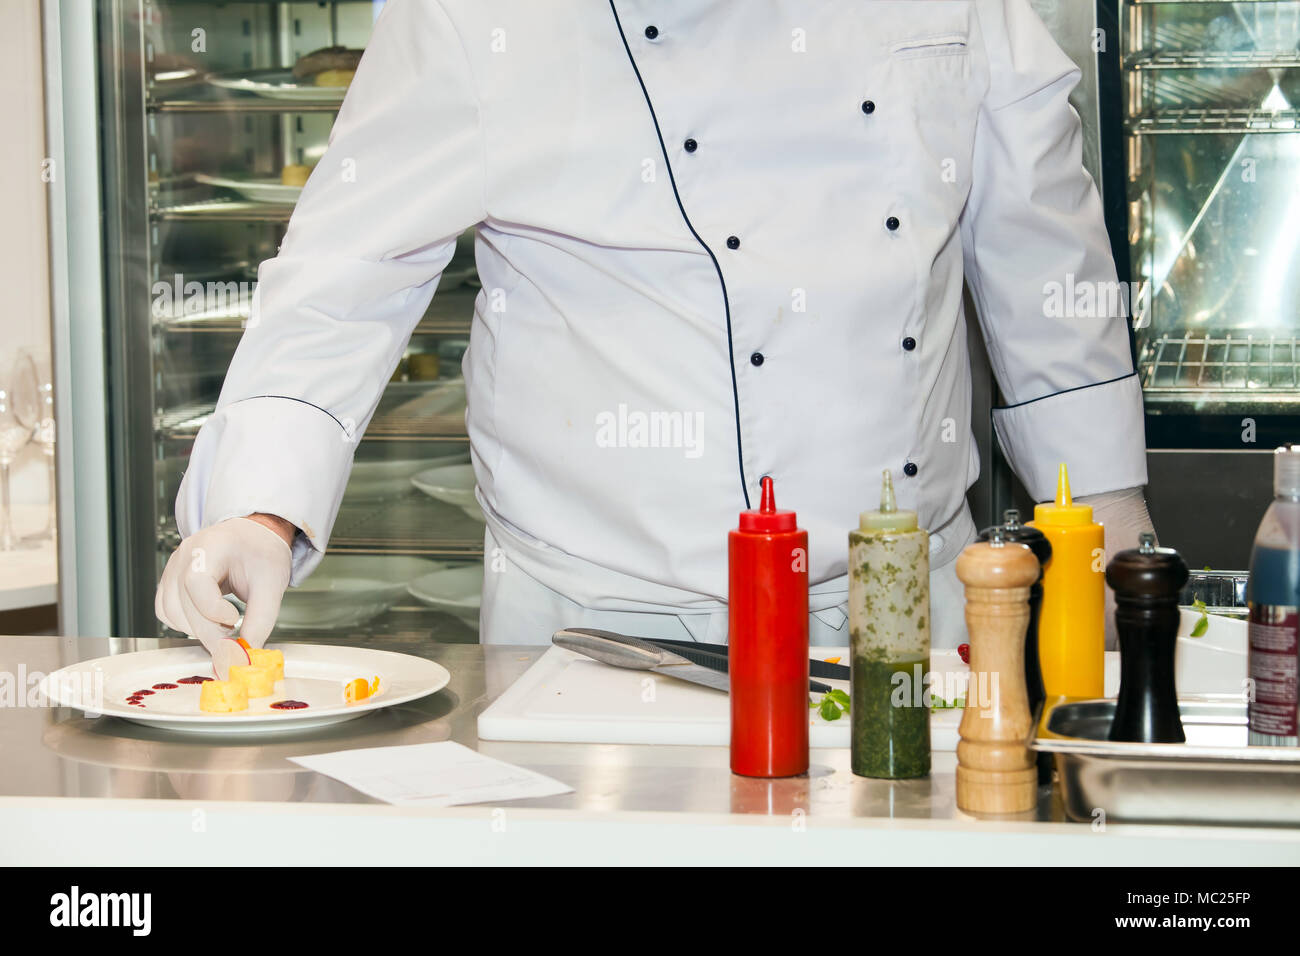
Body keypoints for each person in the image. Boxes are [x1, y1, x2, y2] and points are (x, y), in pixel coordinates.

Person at [156, 0, 1154, 651]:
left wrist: (1107, 527)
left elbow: (1042, 257)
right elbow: (346, 270)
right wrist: (262, 510)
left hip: (903, 621)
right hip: (600, 632)